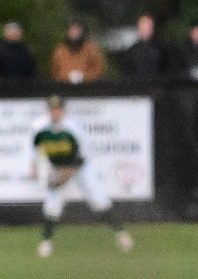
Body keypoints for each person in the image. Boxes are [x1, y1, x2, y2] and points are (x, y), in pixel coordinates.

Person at [32, 94, 134, 257]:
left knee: (99, 200)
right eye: (52, 109)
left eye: (58, 109)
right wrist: (36, 167)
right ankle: (46, 242)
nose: (55, 113)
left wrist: (67, 173)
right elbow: (37, 150)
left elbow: (83, 154)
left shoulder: (73, 126)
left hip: (81, 167)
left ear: (64, 110)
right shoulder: (39, 126)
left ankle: (121, 233)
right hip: (58, 167)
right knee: (52, 205)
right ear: (48, 110)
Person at [120, 14, 166, 79]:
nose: (147, 29)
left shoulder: (161, 49)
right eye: (145, 26)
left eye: (149, 26)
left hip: (156, 86)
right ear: (139, 27)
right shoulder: (132, 51)